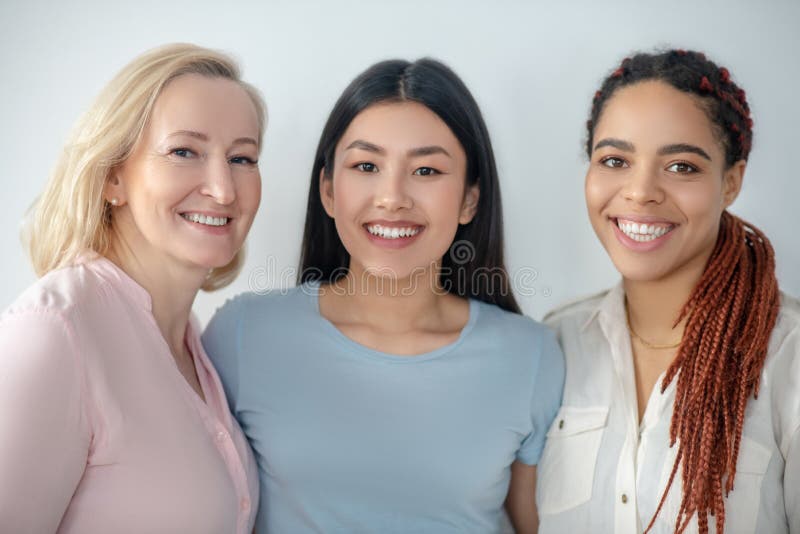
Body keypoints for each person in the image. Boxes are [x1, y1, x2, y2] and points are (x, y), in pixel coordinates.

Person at [203, 57, 564, 534]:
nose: (392, 197)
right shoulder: (243, 337)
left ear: (470, 199)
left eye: (428, 170)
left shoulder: (531, 356)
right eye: (367, 165)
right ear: (329, 191)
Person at [0, 43, 266, 533]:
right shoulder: (56, 331)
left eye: (243, 158)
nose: (224, 189)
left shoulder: (196, 343)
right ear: (113, 177)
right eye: (184, 151)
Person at [537, 49, 799, 534]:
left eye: (681, 167)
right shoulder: (552, 345)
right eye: (615, 160)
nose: (640, 192)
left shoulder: (790, 355)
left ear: (731, 182)